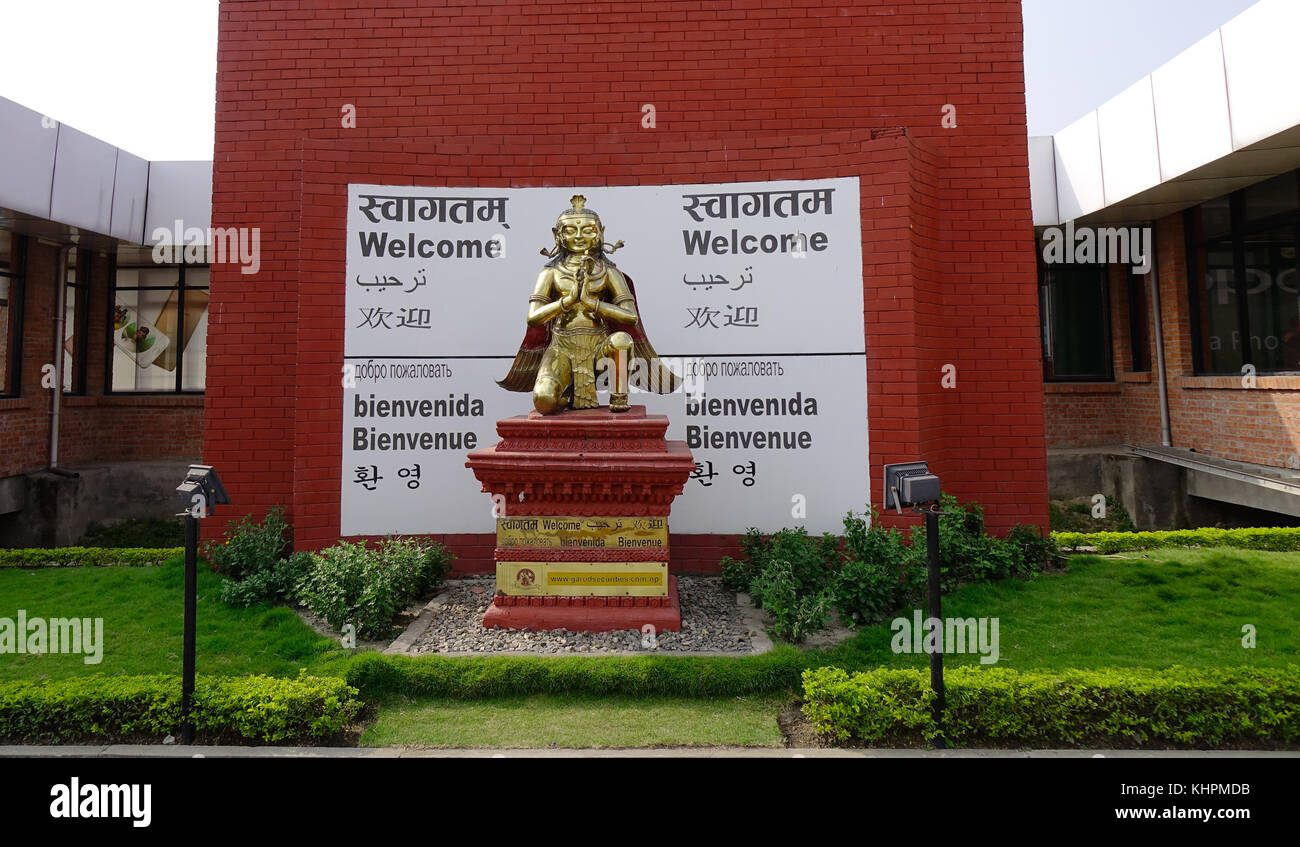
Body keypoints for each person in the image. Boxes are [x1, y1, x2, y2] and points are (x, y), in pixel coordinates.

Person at [498, 194, 678, 413]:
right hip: (562, 347)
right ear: (557, 235)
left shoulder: (609, 273)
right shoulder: (551, 273)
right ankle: (566, 397)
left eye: (587, 230)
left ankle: (619, 397)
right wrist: (568, 301)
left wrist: (591, 303)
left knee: (622, 340)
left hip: (600, 347)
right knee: (544, 400)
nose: (579, 236)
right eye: (571, 230)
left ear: (600, 233)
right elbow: (533, 317)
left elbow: (630, 317)